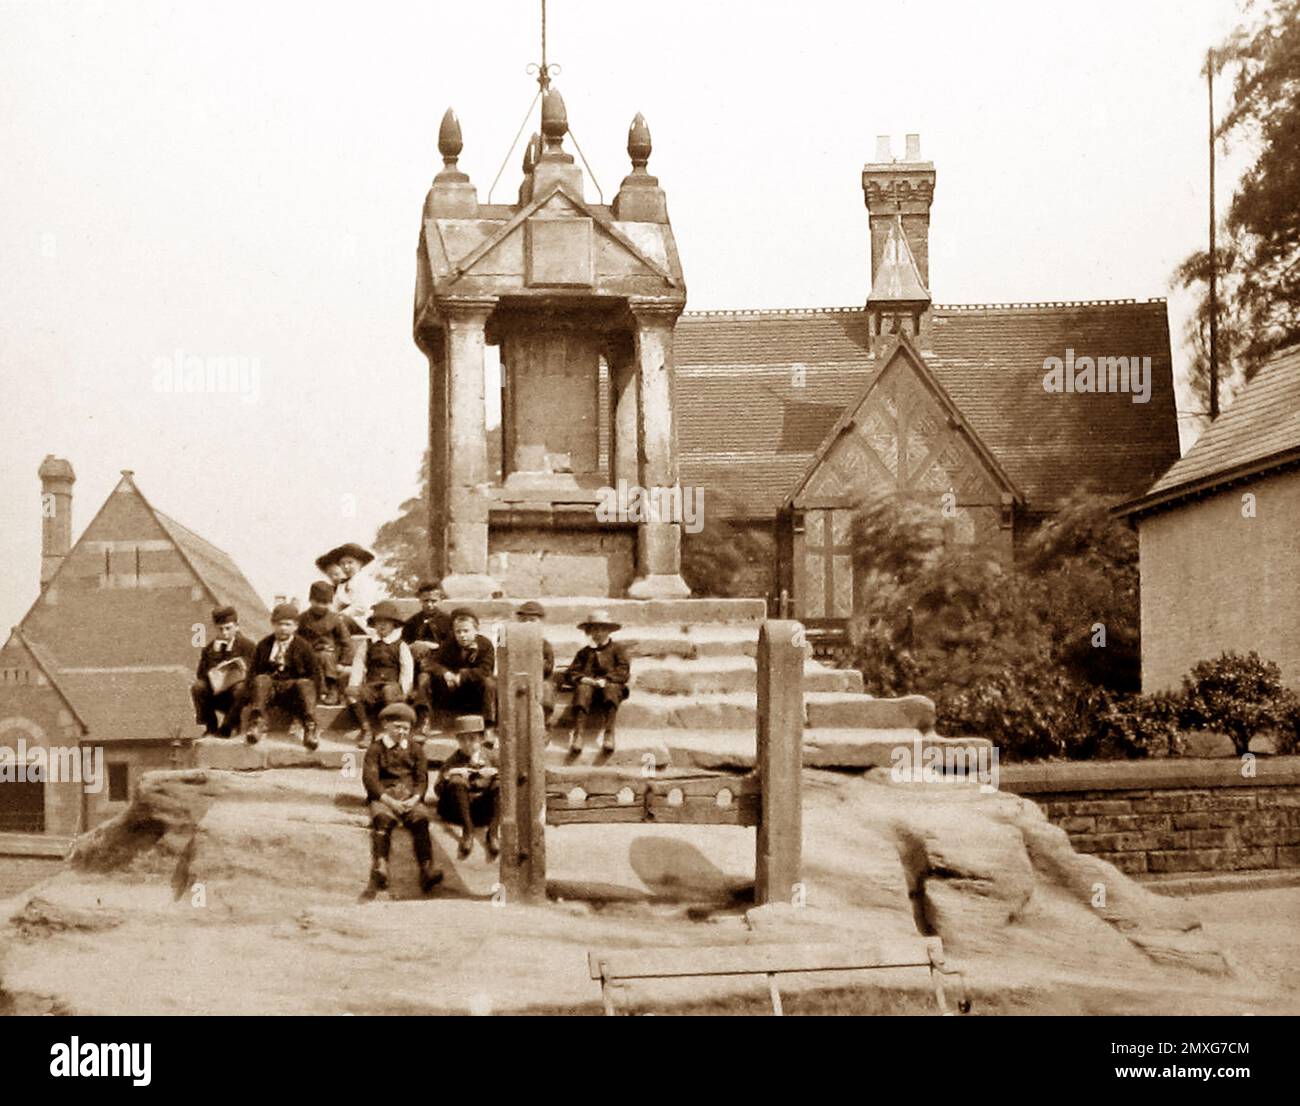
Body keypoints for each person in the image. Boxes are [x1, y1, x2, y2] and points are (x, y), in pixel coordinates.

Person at [362, 702, 442, 894]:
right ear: (385, 726)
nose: (401, 732)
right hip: (385, 796)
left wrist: (415, 798)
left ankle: (426, 869)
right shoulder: (375, 749)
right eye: (397, 727)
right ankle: (381, 866)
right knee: (382, 821)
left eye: (406, 728)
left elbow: (422, 779)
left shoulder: (416, 750)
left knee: (421, 821)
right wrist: (389, 801)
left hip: (409, 797)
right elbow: (370, 780)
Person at [245, 603, 320, 748]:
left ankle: (310, 728)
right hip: (270, 690)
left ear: (295, 626)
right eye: (279, 624)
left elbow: (315, 675)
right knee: (261, 679)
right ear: (273, 624)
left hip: (293, 692)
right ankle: (256, 724)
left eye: (287, 624)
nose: (283, 628)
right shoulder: (264, 645)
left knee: (305, 683)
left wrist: (312, 697)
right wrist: (251, 693)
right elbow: (253, 671)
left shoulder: (303, 647)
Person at [562, 609, 631, 755]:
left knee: (612, 689)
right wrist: (583, 679)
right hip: (589, 691)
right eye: (594, 629)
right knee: (582, 689)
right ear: (589, 632)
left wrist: (606, 680)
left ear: (608, 631)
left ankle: (609, 734)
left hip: (609, 687)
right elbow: (571, 672)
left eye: (602, 629)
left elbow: (623, 671)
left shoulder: (618, 649)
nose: (598, 633)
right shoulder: (584, 653)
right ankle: (578, 735)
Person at [345, 599, 414, 745]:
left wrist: (405, 691)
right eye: (378, 622)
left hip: (392, 687)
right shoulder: (368, 644)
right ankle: (366, 729)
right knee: (351, 692)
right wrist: (355, 685)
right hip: (372, 687)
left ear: (393, 625)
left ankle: (386, 731)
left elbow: (407, 669)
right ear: (374, 625)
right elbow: (359, 666)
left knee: (389, 691)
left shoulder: (400, 645)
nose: (382, 625)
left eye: (386, 622)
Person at [417, 608, 496, 730]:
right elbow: (431, 663)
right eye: (458, 632)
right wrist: (445, 673)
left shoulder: (485, 645)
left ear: (476, 631)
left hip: (474, 691)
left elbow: (485, 669)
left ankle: (489, 726)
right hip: (452, 689)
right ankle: (424, 720)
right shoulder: (450, 643)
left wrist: (463, 675)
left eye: (466, 631)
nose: (462, 635)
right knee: (424, 677)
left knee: (489, 683)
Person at [434, 715, 499, 859]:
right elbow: (437, 790)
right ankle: (468, 832)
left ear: (481, 739)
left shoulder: (493, 757)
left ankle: (493, 833)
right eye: (462, 739)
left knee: (501, 782)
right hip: (459, 811)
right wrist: (449, 775)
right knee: (457, 781)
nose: (467, 744)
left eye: (472, 739)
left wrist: (494, 773)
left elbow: (510, 782)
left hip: (486, 811)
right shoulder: (453, 760)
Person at [191, 606, 256, 737]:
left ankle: (228, 726)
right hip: (218, 695)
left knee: (240, 688)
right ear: (216, 628)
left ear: (237, 626)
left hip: (239, 696)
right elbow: (201, 676)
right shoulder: (209, 649)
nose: (225, 633)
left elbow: (254, 674)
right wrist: (215, 656)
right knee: (198, 687)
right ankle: (211, 726)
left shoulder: (247, 646)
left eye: (228, 628)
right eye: (221, 629)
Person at [297, 581, 353, 706]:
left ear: (330, 603)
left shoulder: (335, 619)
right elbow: (295, 639)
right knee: (314, 659)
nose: (321, 606)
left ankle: (332, 689)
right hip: (308, 652)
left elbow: (346, 641)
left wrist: (344, 662)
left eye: (325, 603)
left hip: (330, 654)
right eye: (317, 602)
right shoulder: (302, 618)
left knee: (325, 657)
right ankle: (317, 692)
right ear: (310, 601)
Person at [514, 600, 556, 711]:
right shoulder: (511, 642)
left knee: (546, 689)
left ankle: (544, 721)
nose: (528, 624)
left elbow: (548, 668)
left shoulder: (544, 644)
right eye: (523, 620)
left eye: (532, 621)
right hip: (515, 678)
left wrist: (538, 665)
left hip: (539, 678)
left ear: (540, 623)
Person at [331, 543, 380, 634]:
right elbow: (334, 606)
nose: (346, 567)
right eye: (342, 563)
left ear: (360, 563)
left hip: (363, 623)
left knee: (338, 622)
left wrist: (341, 615)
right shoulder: (341, 586)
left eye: (350, 562)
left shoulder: (365, 581)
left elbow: (362, 607)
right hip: (345, 623)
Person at [402, 580, 450, 647]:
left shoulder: (449, 621)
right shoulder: (412, 622)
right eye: (426, 600)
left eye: (434, 601)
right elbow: (405, 644)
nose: (429, 604)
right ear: (420, 600)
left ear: (441, 600)